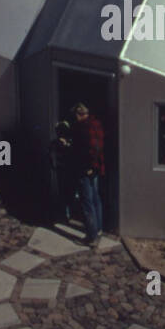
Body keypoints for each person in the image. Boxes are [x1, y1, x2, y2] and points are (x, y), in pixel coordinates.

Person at [69, 103, 105, 245]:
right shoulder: (96, 124)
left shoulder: (83, 128)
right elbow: (98, 147)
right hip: (96, 167)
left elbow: (88, 149)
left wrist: (87, 166)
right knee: (96, 198)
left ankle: (92, 236)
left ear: (79, 114)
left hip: (85, 168)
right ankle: (99, 229)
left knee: (87, 201)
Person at [49, 119, 77, 224]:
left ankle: (70, 212)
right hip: (63, 170)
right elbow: (50, 155)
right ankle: (67, 214)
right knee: (65, 192)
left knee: (70, 192)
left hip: (69, 170)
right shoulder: (55, 143)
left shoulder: (70, 142)